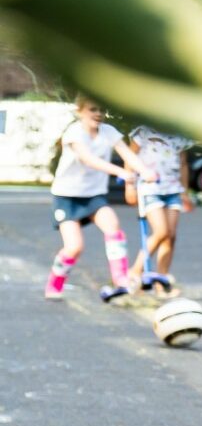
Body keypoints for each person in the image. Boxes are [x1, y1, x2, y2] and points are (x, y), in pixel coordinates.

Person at [46, 99, 140, 301]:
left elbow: (128, 154)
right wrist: (121, 172)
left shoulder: (108, 132)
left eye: (102, 110)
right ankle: (55, 283)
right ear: (80, 111)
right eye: (92, 110)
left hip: (93, 195)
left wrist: (146, 170)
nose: (98, 113)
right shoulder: (74, 133)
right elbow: (88, 159)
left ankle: (121, 281)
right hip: (67, 196)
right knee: (74, 247)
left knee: (113, 227)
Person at [126, 125, 192, 292]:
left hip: (173, 189)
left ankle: (161, 280)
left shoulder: (180, 134)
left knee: (170, 236)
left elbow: (183, 163)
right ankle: (135, 271)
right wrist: (130, 186)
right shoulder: (144, 131)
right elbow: (129, 157)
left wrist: (184, 191)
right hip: (150, 188)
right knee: (161, 231)